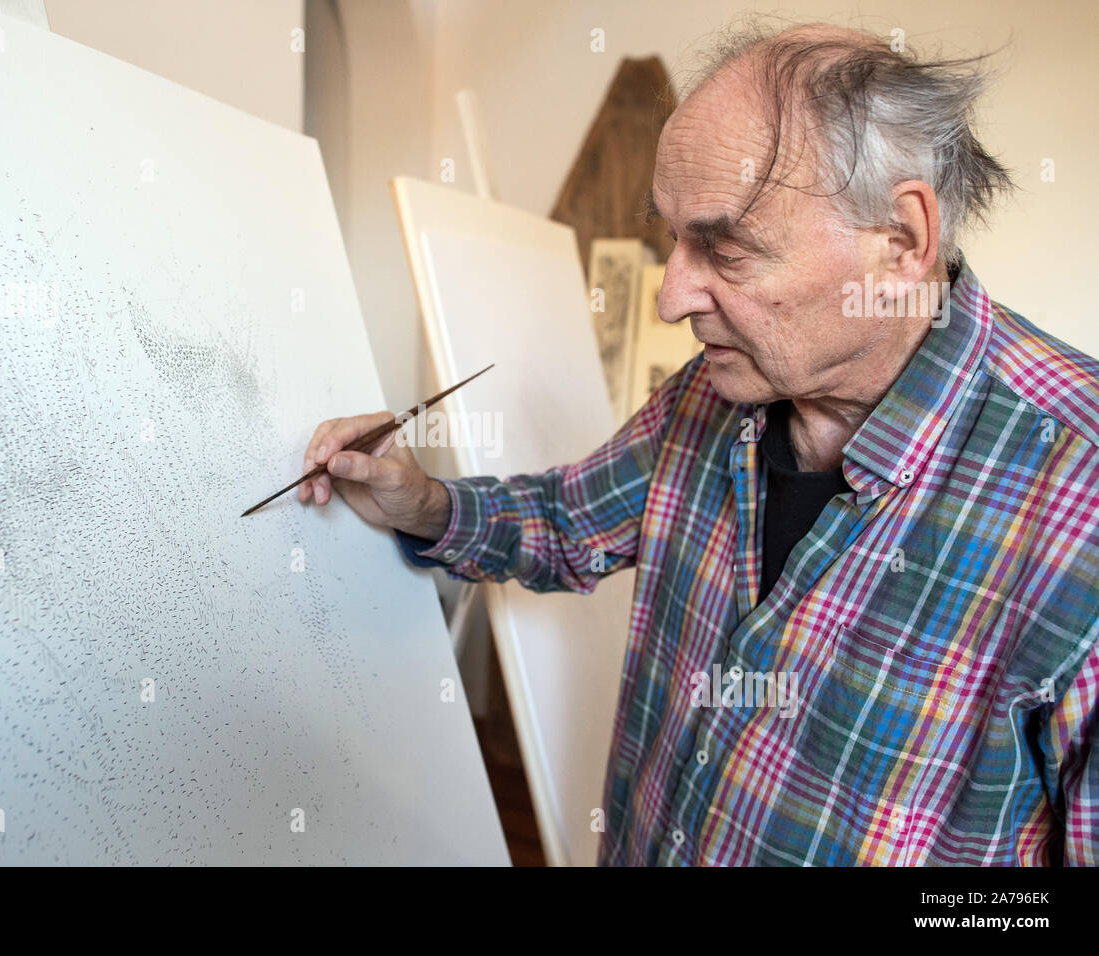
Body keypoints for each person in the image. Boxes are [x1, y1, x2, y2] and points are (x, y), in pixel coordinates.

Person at [298, 23, 1098, 866]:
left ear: (900, 241)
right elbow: (569, 522)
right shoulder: (712, 396)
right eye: (675, 239)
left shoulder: (1077, 491)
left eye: (725, 248)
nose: (671, 297)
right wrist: (424, 502)